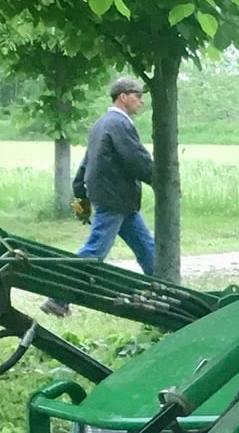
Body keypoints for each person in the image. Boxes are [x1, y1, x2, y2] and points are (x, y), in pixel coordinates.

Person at [45, 76, 156, 317]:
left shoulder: (101, 124)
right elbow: (136, 158)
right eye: (138, 96)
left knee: (148, 248)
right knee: (95, 250)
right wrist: (162, 181)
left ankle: (168, 291)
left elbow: (88, 162)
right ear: (123, 97)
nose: (141, 101)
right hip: (114, 199)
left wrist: (80, 195)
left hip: (119, 202)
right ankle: (57, 296)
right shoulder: (119, 124)